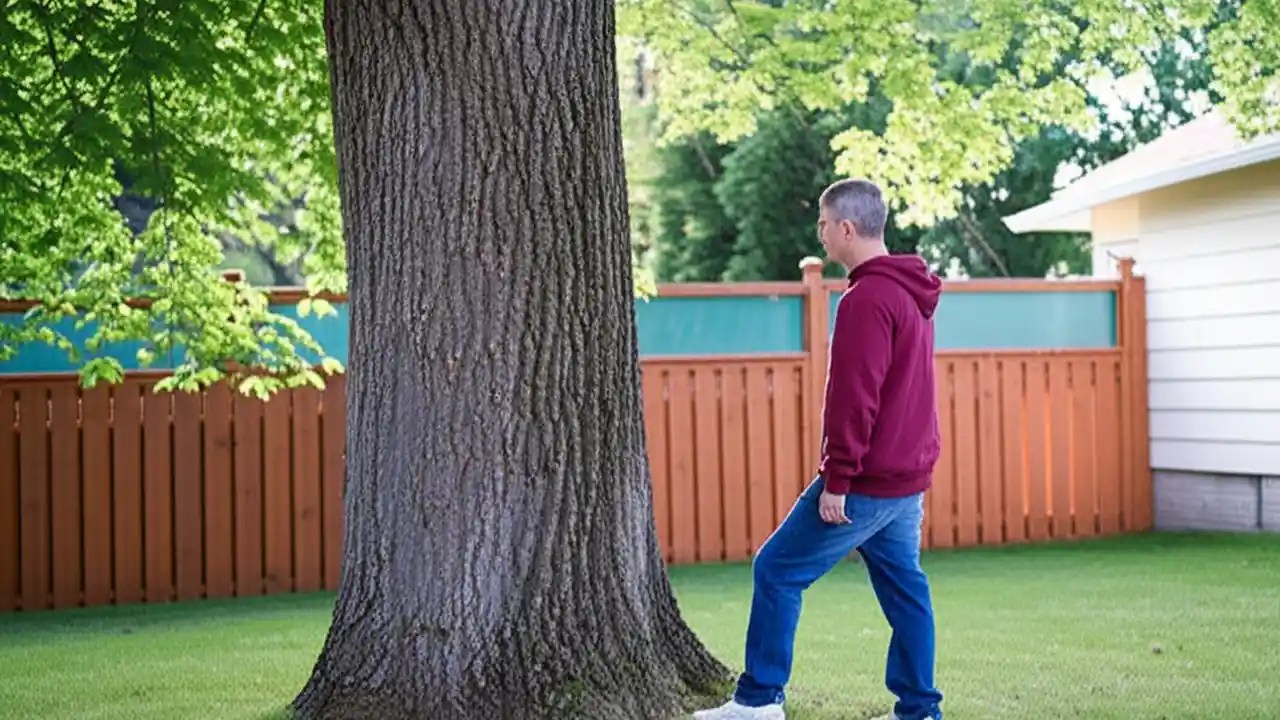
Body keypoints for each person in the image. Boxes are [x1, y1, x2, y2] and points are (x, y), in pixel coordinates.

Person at [693, 179, 945, 720]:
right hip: (907, 481)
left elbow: (855, 398)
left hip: (868, 483)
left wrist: (838, 478)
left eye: (824, 225)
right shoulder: (912, 293)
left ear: (847, 229)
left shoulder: (866, 299)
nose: (822, 235)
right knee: (905, 592)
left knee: (777, 569)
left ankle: (758, 702)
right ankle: (920, 710)